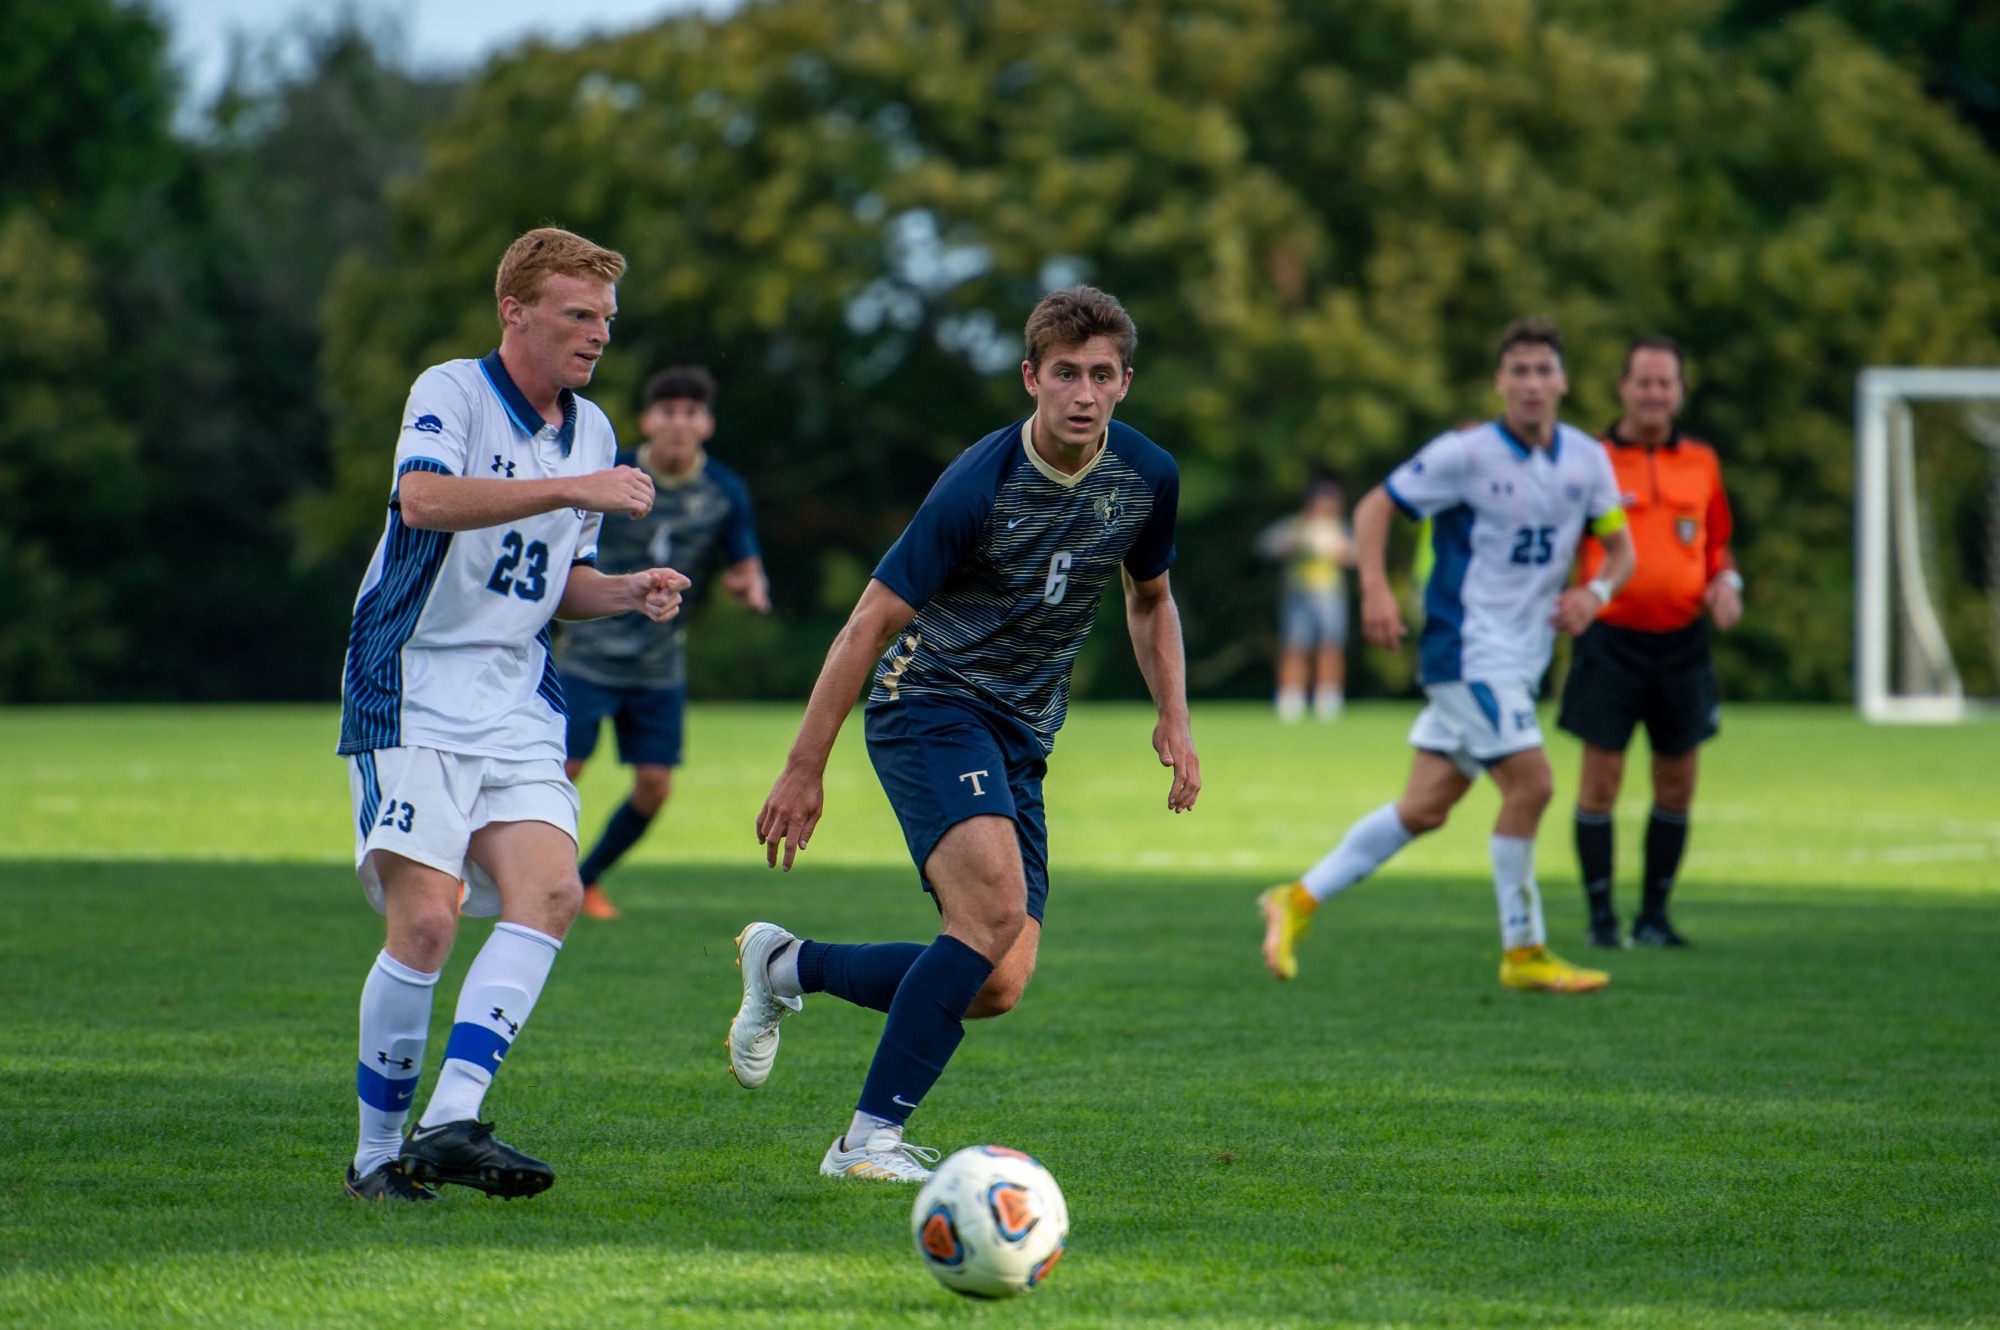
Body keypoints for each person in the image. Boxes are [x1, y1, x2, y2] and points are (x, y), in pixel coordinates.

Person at [729, 285, 1200, 1182]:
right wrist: (803, 769)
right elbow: (867, 622)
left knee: (997, 980)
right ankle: (864, 1146)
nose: (1083, 394)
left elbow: (1152, 600)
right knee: (985, 914)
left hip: (1022, 735)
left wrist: (1172, 714)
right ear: (1032, 378)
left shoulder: (1148, 477)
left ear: (1125, 383)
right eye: (1065, 374)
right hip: (930, 704)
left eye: (1102, 375)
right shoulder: (978, 484)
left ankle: (788, 965)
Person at [336, 227, 689, 1202]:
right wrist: (573, 485)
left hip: (514, 692)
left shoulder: (593, 428)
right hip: (409, 681)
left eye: (606, 321)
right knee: (424, 924)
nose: (596, 336)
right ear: (516, 312)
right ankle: (374, 1159)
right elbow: (420, 500)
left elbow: (554, 580)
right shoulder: (451, 390)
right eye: (578, 315)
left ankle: (449, 1118)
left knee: (552, 891)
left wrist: (624, 591)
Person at [1258, 318, 1636, 994]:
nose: (1530, 383)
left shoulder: (1586, 458)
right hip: (1466, 652)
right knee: (1534, 785)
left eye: (1542, 370)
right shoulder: (1466, 454)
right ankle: (1524, 952)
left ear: (1564, 381)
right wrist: (1374, 588)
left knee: (1425, 807)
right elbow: (1375, 507)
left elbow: (1621, 549)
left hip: (1521, 658)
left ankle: (1297, 899)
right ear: (1500, 383)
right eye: (1517, 370)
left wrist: (1596, 593)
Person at [555, 365, 769, 921]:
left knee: (654, 786)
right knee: (562, 770)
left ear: (708, 423)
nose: (678, 423)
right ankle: (478, 874)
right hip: (587, 652)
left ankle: (585, 881)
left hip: (659, 663)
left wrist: (750, 587)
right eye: (667, 411)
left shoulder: (724, 489)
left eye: (690, 412)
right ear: (647, 420)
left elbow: (747, 562)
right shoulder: (613, 472)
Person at [1559, 336, 1741, 948]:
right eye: (1644, 382)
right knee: (1601, 782)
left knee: (1677, 781)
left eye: (1666, 383)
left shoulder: (1702, 463)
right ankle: (1601, 921)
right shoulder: (1589, 458)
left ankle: (1655, 918)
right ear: (1623, 387)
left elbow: (1715, 544)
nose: (1655, 393)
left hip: (1682, 643)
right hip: (1610, 640)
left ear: (1681, 391)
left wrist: (1726, 582)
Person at [1259, 478, 1355, 721]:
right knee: (1294, 645)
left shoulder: (1339, 529)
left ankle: (1329, 699)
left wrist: (1337, 549)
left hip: (1329, 592)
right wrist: (1298, 541)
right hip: (1298, 591)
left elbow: (1355, 555)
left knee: (1330, 645)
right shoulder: (1296, 525)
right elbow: (1266, 546)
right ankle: (1290, 699)